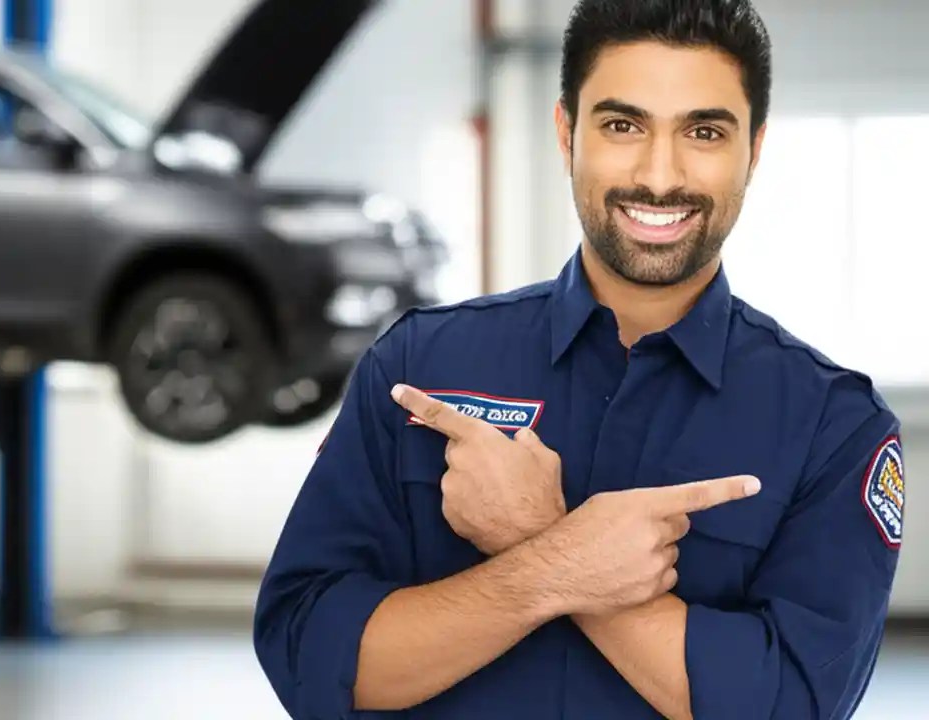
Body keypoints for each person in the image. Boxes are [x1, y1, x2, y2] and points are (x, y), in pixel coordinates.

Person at [252, 0, 905, 718]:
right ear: (567, 134)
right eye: (623, 125)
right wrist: (552, 568)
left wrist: (539, 538)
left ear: (753, 150)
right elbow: (310, 658)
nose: (661, 176)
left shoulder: (834, 427)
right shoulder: (416, 365)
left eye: (705, 131)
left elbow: (791, 705)